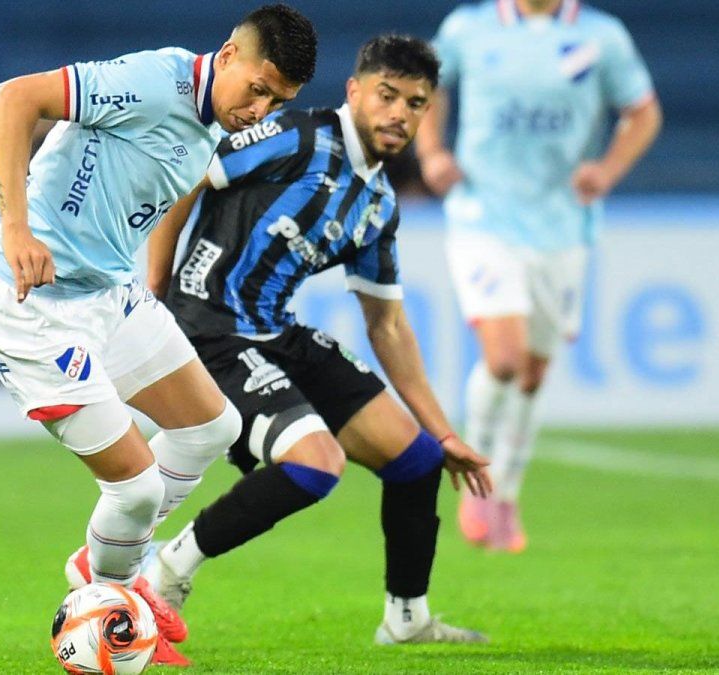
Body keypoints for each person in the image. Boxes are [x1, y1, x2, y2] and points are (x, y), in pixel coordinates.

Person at [83, 34, 492, 646]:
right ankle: (168, 568)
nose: (399, 114)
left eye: (416, 103)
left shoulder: (378, 203)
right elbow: (192, 175)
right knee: (315, 461)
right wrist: (156, 286)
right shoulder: (298, 136)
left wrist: (445, 430)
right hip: (209, 327)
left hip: (275, 329)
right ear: (355, 91)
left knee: (417, 462)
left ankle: (407, 622)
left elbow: (387, 325)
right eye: (387, 95)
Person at [0, 4, 317, 665]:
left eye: (278, 101)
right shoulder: (155, 81)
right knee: (137, 490)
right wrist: (17, 229)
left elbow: (169, 184)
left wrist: (153, 274)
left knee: (213, 427)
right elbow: (12, 97)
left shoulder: (215, 121)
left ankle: (105, 556)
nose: (259, 109)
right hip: (30, 306)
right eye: (257, 88)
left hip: (106, 294)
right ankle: (114, 603)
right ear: (229, 54)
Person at [415, 0, 663, 552]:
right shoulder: (468, 28)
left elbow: (644, 112)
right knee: (504, 359)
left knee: (531, 373)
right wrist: (431, 151)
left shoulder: (602, 36)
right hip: (485, 216)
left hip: (561, 225)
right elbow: (426, 84)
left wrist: (608, 169)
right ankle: (477, 478)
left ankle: (507, 491)